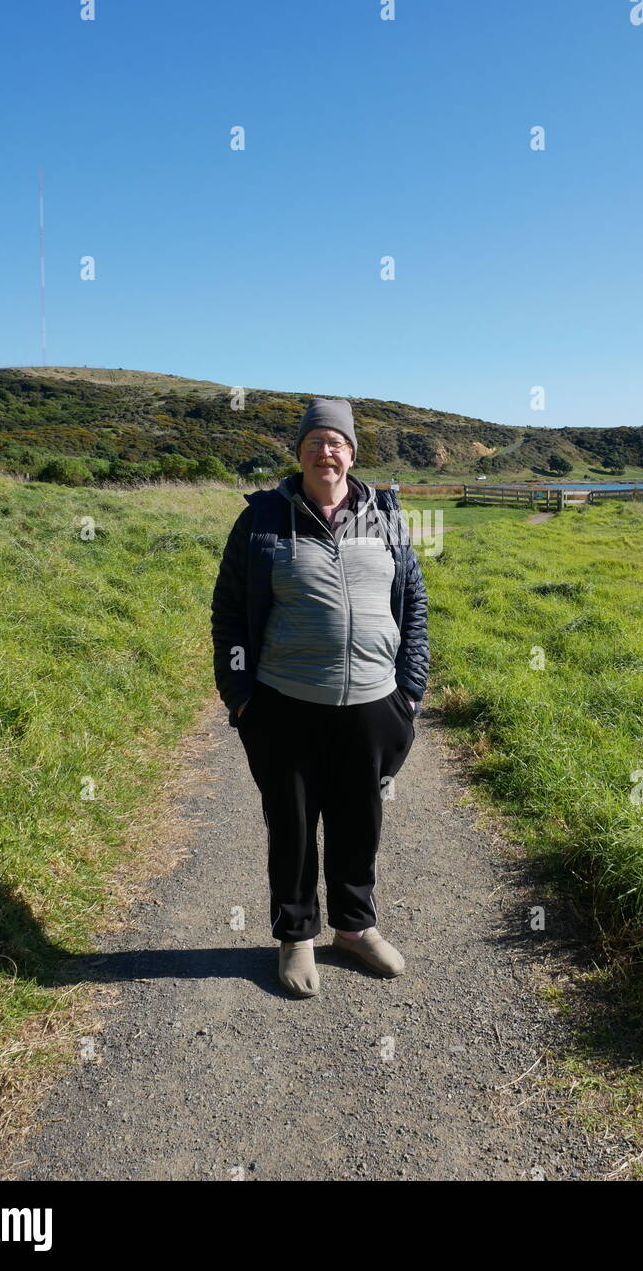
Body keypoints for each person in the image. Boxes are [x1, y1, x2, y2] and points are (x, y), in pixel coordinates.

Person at [211, 398, 429, 997]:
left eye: (337, 442)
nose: (325, 452)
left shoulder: (384, 517)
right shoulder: (261, 521)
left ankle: (355, 929)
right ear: (299, 452)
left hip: (373, 700)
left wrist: (409, 690)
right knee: (293, 822)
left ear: (352, 454)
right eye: (315, 442)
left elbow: (412, 605)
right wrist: (240, 695)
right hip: (285, 702)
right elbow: (229, 611)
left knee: (361, 819)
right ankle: (296, 934)